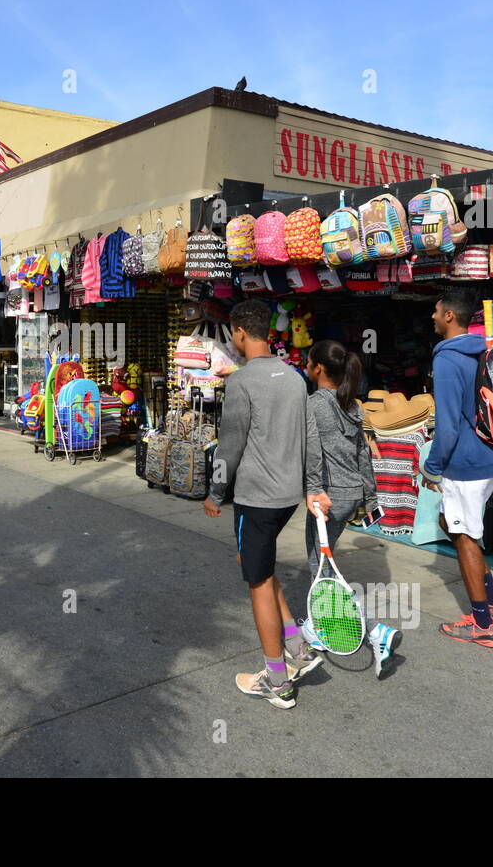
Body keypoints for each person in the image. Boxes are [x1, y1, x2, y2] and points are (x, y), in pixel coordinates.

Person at [203, 300, 330, 710]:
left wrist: (215, 492)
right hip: (287, 498)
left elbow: (231, 444)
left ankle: (277, 681)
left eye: (233, 335)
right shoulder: (294, 378)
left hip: (256, 498)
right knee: (261, 568)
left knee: (256, 582)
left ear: (240, 332)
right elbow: (310, 437)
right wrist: (312, 487)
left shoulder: (242, 381)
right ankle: (297, 651)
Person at [420, 290, 493, 648]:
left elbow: (446, 426)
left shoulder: (446, 360)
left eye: (436, 309)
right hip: (491, 456)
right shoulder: (482, 349)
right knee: (451, 522)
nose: (432, 315)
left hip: (464, 463)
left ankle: (482, 624)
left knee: (464, 538)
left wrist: (431, 467)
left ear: (449, 316)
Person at [303, 339, 401, 673]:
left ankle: (374, 630)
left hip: (328, 497)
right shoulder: (352, 404)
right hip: (350, 494)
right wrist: (369, 496)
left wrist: (313, 489)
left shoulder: (315, 404)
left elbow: (313, 453)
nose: (305, 366)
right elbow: (363, 452)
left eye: (307, 361)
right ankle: (327, 625)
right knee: (324, 564)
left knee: (322, 568)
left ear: (318, 368)